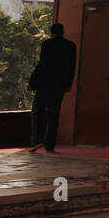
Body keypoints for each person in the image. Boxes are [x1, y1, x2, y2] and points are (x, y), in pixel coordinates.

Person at [27, 22, 77, 153]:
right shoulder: (71, 46)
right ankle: (50, 144)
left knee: (37, 111)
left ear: (51, 32)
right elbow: (71, 68)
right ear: (63, 32)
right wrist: (68, 85)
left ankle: (36, 140)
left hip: (45, 84)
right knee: (54, 113)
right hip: (60, 85)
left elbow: (42, 64)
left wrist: (32, 81)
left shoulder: (47, 44)